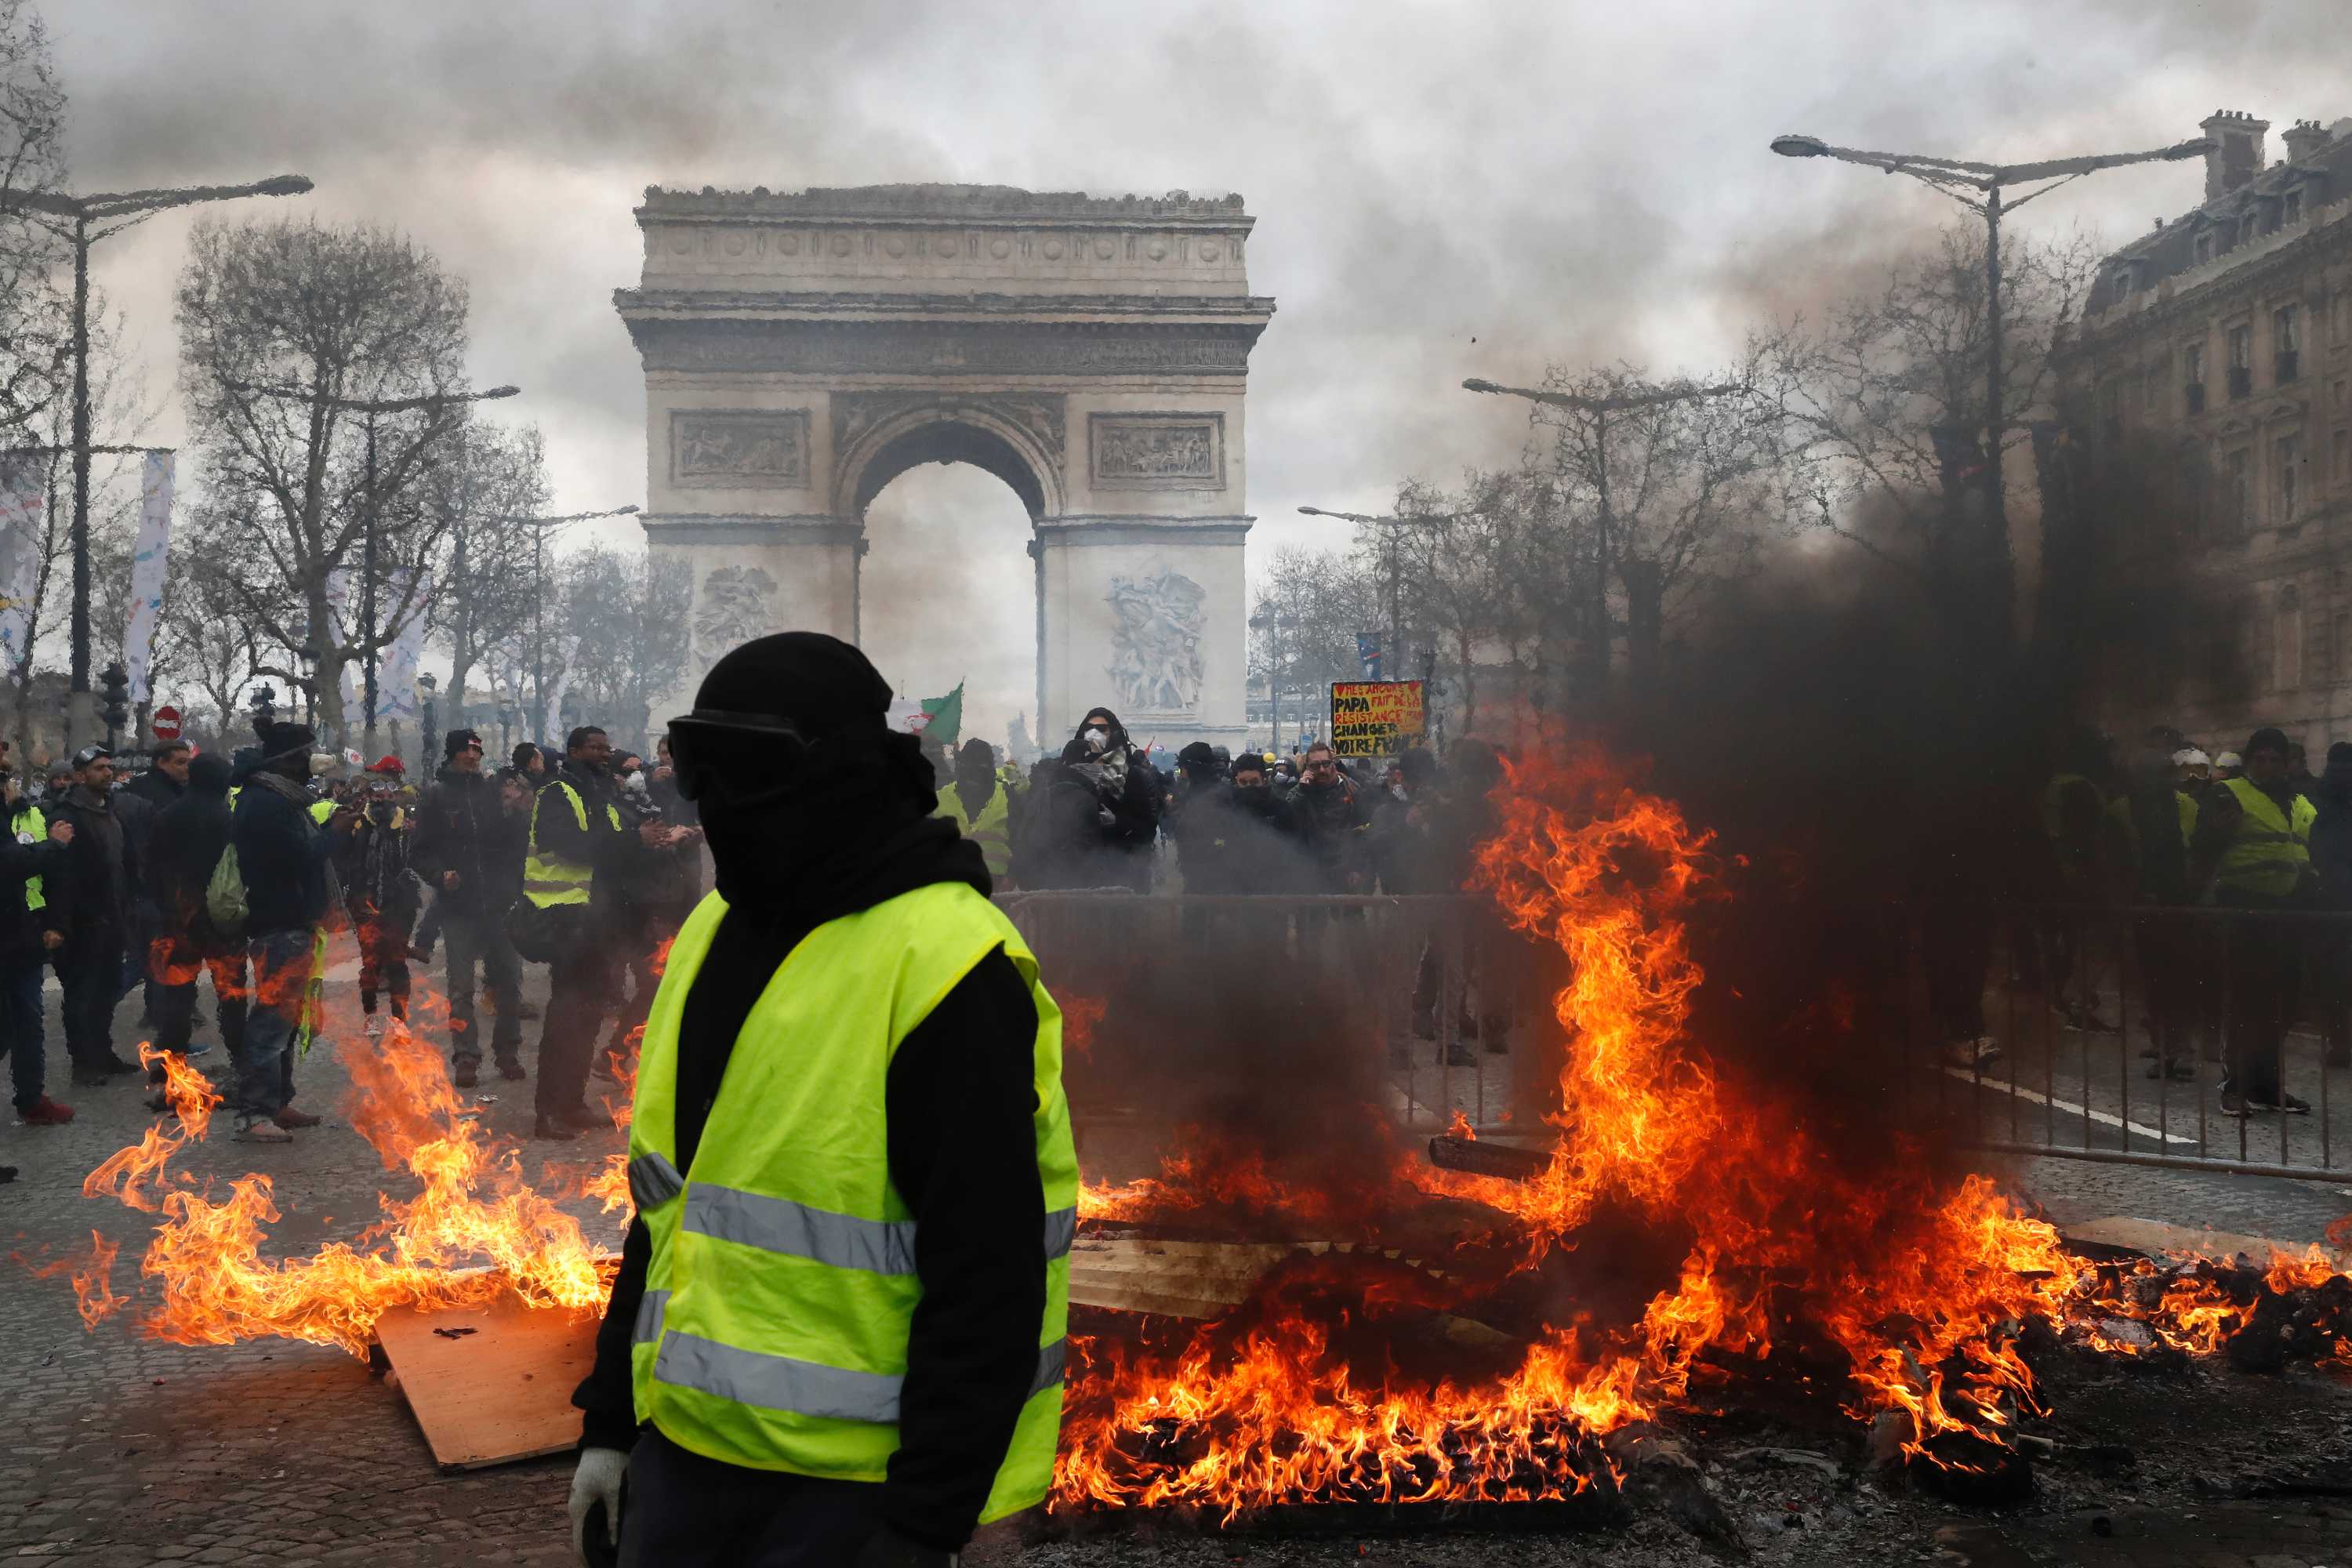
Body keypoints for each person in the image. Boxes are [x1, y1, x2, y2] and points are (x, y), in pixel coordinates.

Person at [566, 631, 1074, 1568]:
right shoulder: (715, 925)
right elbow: (668, 1207)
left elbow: (989, 1274)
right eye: (698, 772)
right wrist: (609, 1418)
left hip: (857, 1496)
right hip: (681, 1458)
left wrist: (925, 1521)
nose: (715, 805)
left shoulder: (950, 962)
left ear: (837, 770)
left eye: (742, 771)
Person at [525, 725, 662, 1141]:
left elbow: (617, 849)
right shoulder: (558, 792)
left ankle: (574, 1103)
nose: (605, 753)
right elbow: (568, 846)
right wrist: (630, 839)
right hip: (565, 920)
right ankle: (549, 1111)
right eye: (595, 747)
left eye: (607, 747)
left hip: (600, 923)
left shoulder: (605, 792)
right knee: (566, 1017)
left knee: (587, 1018)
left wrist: (656, 841)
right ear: (573, 751)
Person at [231, 721, 349, 1144]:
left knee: (287, 1020)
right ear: (287, 760)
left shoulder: (283, 798)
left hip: (292, 922)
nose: (312, 763)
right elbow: (296, 860)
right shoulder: (266, 803)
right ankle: (254, 1114)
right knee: (271, 1022)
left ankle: (278, 1102)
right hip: (277, 922)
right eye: (306, 755)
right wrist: (333, 836)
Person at [2190, 726, 2316, 1115]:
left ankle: (2265, 1086)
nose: (2267, 766)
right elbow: (2202, 848)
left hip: (2289, 910)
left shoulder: (2297, 801)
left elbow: (2302, 849)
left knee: (2283, 1000)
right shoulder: (2226, 794)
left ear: (2286, 763)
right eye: (2259, 758)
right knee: (2247, 999)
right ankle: (2235, 1087)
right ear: (2248, 762)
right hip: (2243, 907)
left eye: (2275, 759)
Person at [412, 728, 529, 1087]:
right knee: (461, 988)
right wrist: (438, 874)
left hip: (500, 904)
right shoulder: (435, 795)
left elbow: (516, 845)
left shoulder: (493, 793)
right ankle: (466, 1056)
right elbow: (417, 852)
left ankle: (507, 1052)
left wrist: (520, 812)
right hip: (459, 907)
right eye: (466, 750)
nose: (473, 756)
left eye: (477, 750)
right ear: (452, 754)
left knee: (509, 983)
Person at [145, 753, 249, 1088]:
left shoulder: (166, 815)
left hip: (178, 919)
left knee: (178, 995)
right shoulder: (226, 818)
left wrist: (164, 905)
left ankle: (170, 1064)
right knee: (231, 993)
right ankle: (241, 1059)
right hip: (220, 920)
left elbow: (150, 867)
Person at [50, 746, 141, 1088]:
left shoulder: (111, 810)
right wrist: (62, 922)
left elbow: (123, 860)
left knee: (105, 991)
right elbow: (61, 875)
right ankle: (83, 1063)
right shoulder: (66, 815)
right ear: (80, 775)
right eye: (99, 768)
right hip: (84, 922)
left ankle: (103, 1053)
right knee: (81, 994)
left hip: (114, 916)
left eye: (109, 767)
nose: (107, 772)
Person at [1, 761, 73, 1126]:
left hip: (20, 930)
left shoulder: (20, 808)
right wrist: (53, 846)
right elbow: (9, 861)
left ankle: (31, 1097)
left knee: (29, 1020)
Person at [1017, 709, 1160, 890]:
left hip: (1119, 875)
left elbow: (1147, 828)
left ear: (1113, 733)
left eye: (1102, 729)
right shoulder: (1063, 771)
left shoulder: (1133, 776)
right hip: (1070, 876)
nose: (1094, 733)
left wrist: (1117, 822)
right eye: (1089, 728)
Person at [336, 758, 422, 1034]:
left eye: (389, 794)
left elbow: (418, 860)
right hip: (365, 902)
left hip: (399, 904)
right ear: (369, 796)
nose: (384, 799)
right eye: (378, 794)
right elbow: (344, 861)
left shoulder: (406, 824)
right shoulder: (358, 823)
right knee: (370, 961)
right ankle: (370, 1015)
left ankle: (399, 1020)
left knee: (397, 961)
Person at [2309, 740, 2352, 1070]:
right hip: (2335, 895)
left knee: (2333, 975)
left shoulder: (2317, 794)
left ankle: (2339, 1041)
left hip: (2326, 896)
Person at [1286, 741, 1370, 892]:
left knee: (1349, 914)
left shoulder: (1350, 789)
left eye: (1326, 764)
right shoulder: (1299, 791)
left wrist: (1358, 868)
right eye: (1315, 766)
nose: (1322, 770)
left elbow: (1362, 830)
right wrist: (1303, 792)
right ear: (1308, 768)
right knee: (1313, 915)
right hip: (1310, 869)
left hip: (1344, 868)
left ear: (1333, 763)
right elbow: (1288, 821)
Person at [935, 737, 1014, 884]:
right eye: (967, 766)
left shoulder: (1009, 798)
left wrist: (1012, 878)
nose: (973, 774)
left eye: (981, 766)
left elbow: (1024, 844)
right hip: (948, 889)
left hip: (996, 891)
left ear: (991, 769)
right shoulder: (939, 799)